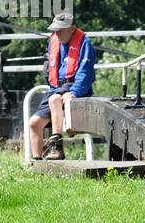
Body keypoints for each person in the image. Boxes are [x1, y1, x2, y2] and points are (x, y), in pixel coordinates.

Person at [29, 11, 96, 160]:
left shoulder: (85, 43)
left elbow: (85, 73)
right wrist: (55, 90)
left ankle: (56, 146)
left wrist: (74, 92)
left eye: (60, 29)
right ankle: (36, 162)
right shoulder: (54, 41)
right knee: (34, 123)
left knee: (54, 100)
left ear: (72, 28)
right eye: (55, 29)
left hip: (74, 87)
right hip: (56, 89)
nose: (57, 33)